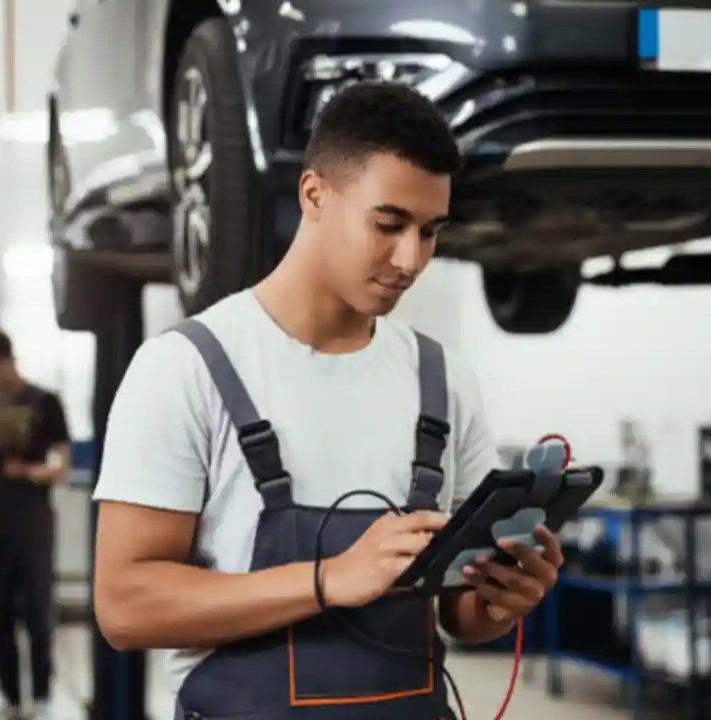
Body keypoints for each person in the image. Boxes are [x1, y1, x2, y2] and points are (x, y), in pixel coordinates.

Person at [90, 82, 565, 719]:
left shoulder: (442, 380)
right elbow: (124, 606)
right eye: (389, 224)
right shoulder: (187, 369)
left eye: (430, 232)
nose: (410, 258)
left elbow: (458, 612)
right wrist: (327, 579)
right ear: (315, 195)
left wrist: (500, 600)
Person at [0, 328, 71, 720]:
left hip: (32, 519)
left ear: (10, 360)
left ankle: (40, 693)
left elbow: (61, 464)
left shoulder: (45, 403)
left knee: (37, 610)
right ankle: (9, 694)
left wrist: (28, 471)